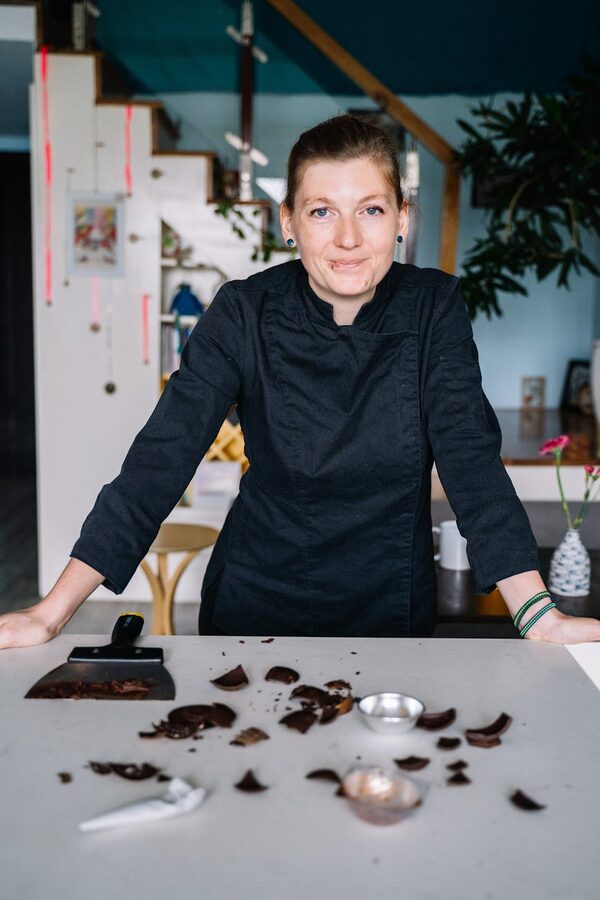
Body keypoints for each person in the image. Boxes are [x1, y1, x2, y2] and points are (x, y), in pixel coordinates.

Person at [1, 114, 599, 649]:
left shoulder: (433, 306)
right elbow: (161, 457)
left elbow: (470, 459)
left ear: (401, 219)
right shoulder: (242, 311)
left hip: (390, 606)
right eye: (321, 211)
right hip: (256, 600)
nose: (347, 238)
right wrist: (52, 613)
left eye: (370, 209)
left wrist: (537, 614)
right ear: (289, 221)